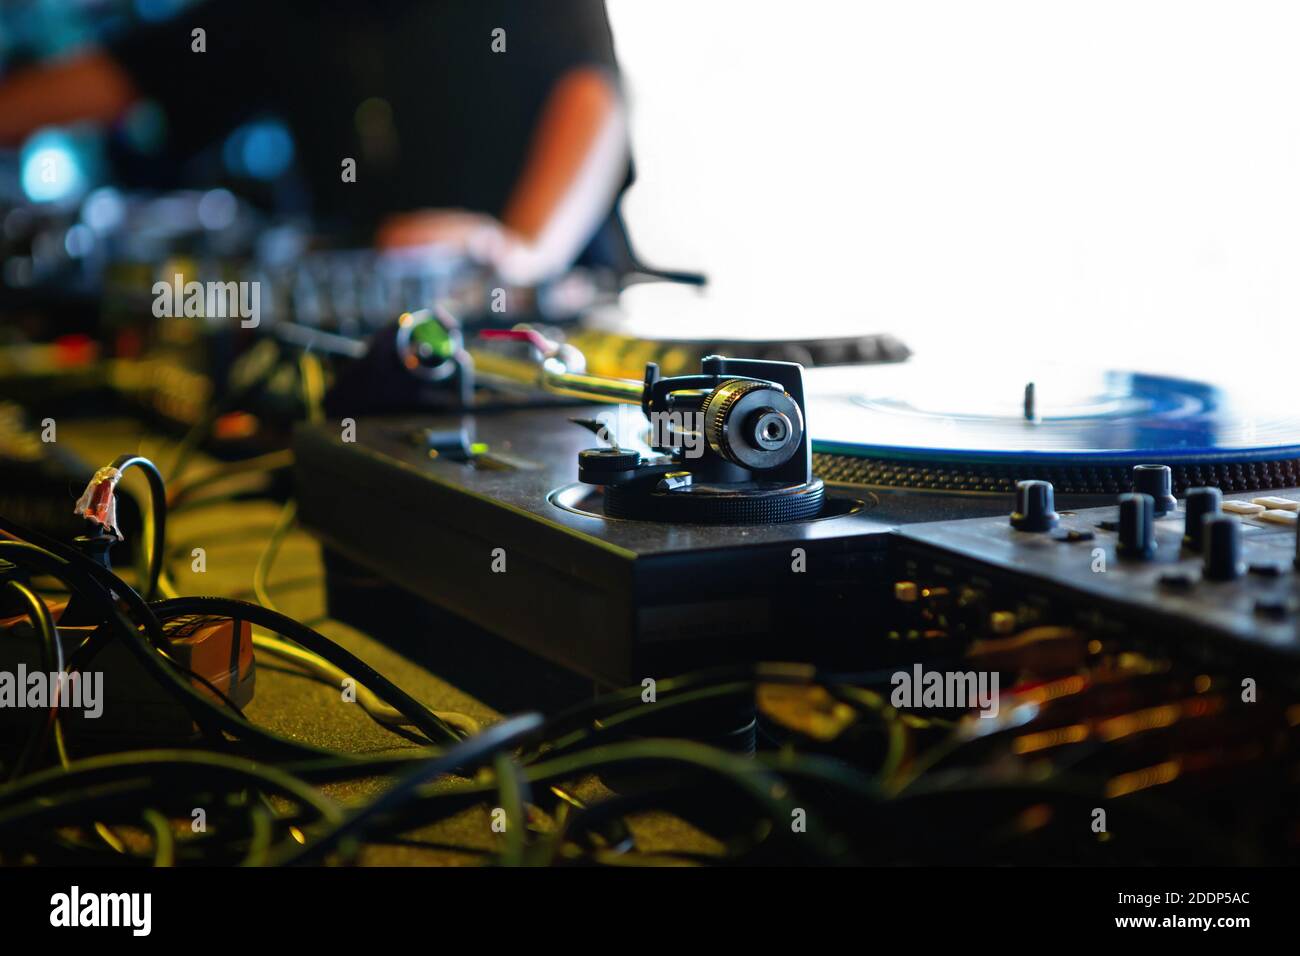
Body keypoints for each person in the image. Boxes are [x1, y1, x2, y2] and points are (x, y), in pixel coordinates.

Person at [0, 0, 631, 284]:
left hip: (559, 323)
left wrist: (522, 249)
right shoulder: (285, 13)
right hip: (378, 333)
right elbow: (131, 73)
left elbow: (593, 96)